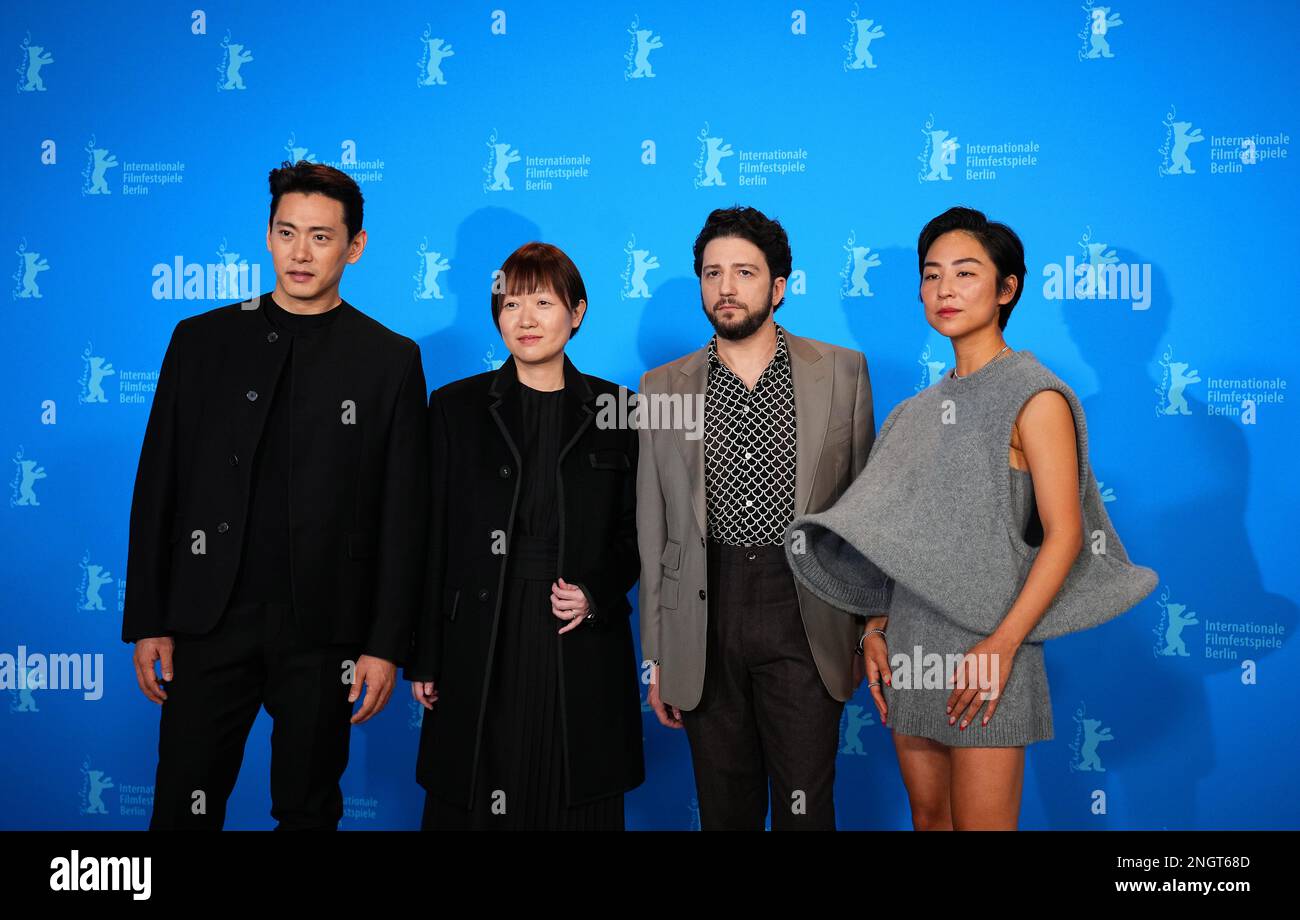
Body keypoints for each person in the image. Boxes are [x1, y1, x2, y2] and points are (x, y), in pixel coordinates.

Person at [786, 206, 1158, 829]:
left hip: (991, 648)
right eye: (932, 276)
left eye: (965, 273)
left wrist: (1003, 644)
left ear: (1007, 288)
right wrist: (874, 627)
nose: (945, 290)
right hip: (911, 647)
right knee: (930, 820)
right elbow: (891, 538)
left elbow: (1066, 535)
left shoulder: (1035, 396)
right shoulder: (913, 412)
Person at [123, 161, 430, 829]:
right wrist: (149, 617)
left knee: (308, 808)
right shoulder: (201, 341)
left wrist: (384, 644)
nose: (300, 252)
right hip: (209, 619)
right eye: (287, 232)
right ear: (267, 236)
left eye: (321, 237)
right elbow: (158, 485)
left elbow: (402, 516)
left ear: (356, 246)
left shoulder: (389, 359)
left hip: (325, 630)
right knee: (182, 805)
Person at [637, 206, 875, 830]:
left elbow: (861, 515)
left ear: (777, 287)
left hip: (804, 604)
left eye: (744, 272)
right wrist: (659, 652)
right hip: (703, 608)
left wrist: (865, 626)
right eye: (712, 273)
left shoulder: (842, 372)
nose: (726, 287)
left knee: (805, 809)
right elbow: (653, 528)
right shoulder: (661, 387)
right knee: (725, 812)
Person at [407, 242, 644, 830]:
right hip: (481, 634)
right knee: (473, 793)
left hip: (577, 632)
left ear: (578, 312)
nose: (527, 318)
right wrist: (426, 653)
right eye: (511, 303)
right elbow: (429, 536)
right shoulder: (455, 407)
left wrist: (595, 590)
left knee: (574, 796)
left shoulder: (622, 410)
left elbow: (641, 532)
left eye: (543, 301)